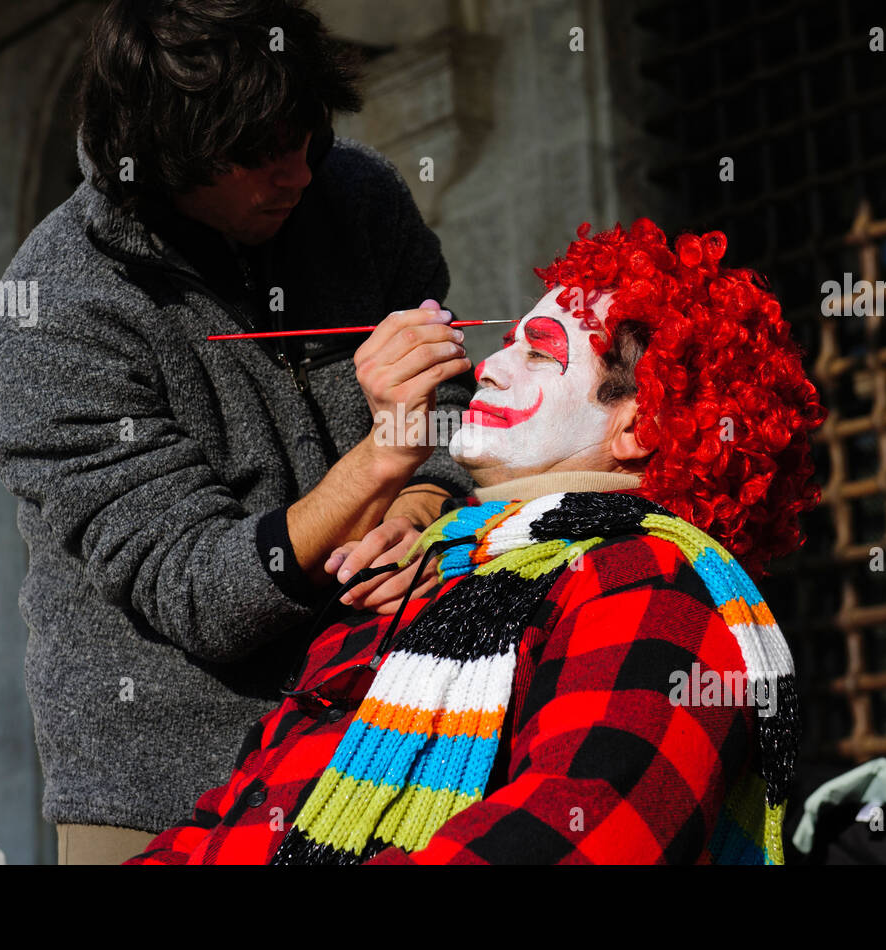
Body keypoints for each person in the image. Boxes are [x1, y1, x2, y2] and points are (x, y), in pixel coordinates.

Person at [125, 218, 829, 865]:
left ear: (637, 430)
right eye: (510, 340)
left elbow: (581, 832)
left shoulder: (648, 578)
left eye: (540, 353)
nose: (489, 366)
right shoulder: (425, 570)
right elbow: (227, 818)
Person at [0, 0, 474, 864]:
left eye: (307, 134)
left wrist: (423, 498)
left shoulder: (357, 196)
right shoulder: (52, 318)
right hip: (170, 792)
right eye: (258, 156)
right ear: (166, 167)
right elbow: (202, 589)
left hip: (393, 740)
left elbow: (464, 416)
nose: (299, 175)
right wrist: (386, 456)